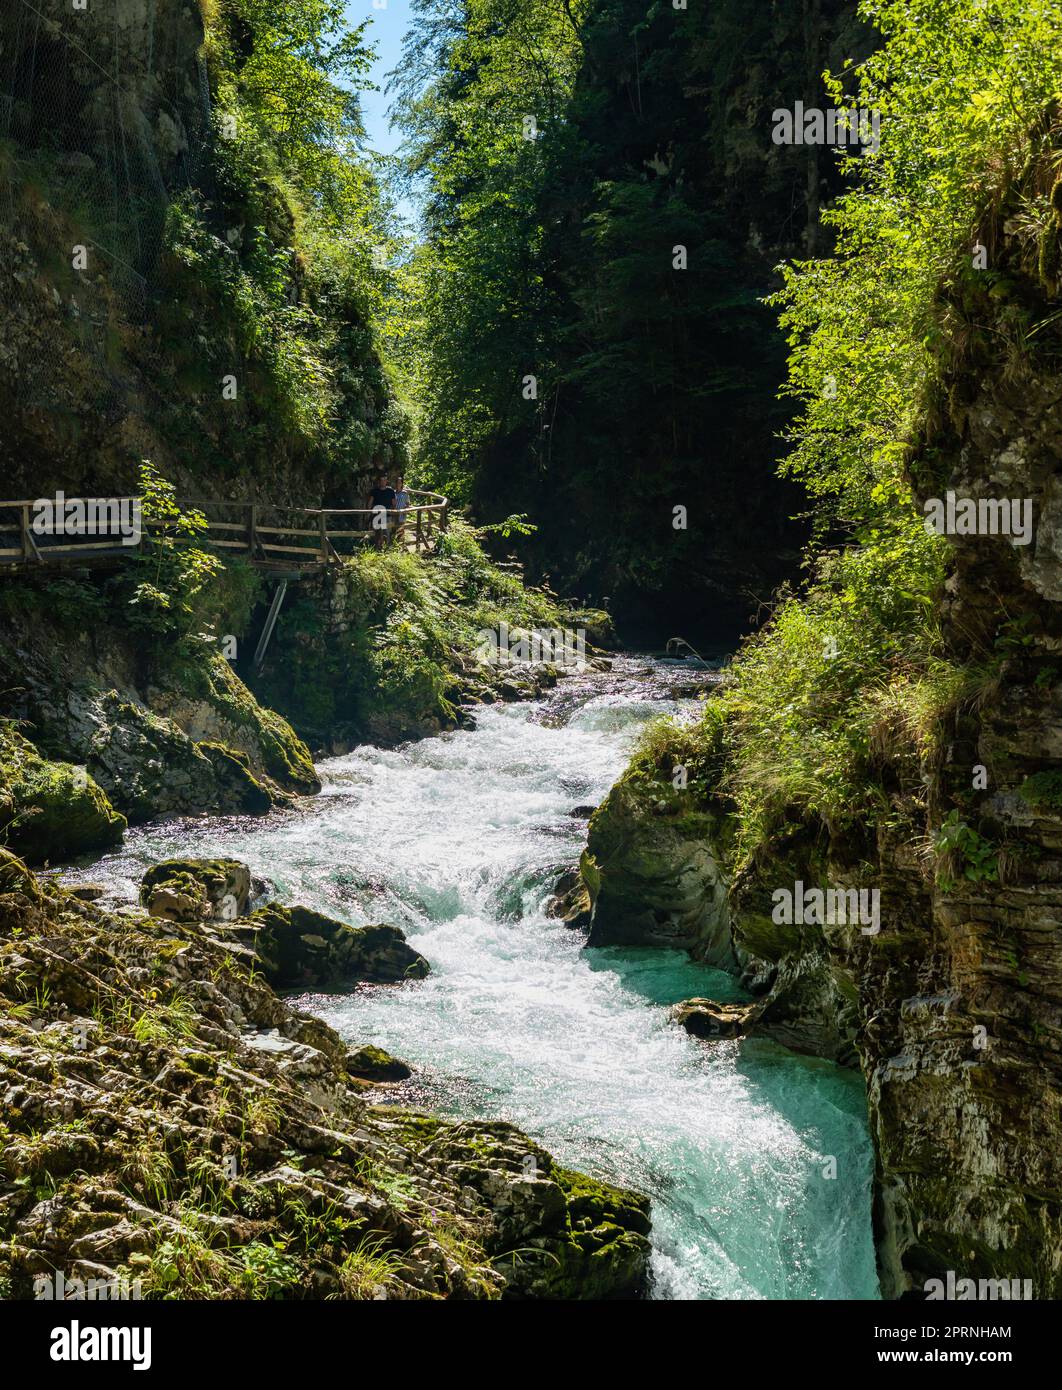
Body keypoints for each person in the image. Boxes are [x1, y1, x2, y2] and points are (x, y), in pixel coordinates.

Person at [370, 473, 396, 548]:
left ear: (386, 481)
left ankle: (387, 549)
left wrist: (393, 513)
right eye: (381, 480)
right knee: (377, 533)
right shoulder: (374, 491)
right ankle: (377, 549)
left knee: (387, 533)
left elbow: (394, 504)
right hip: (376, 516)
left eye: (384, 480)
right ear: (379, 481)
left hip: (387, 516)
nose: (383, 482)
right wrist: (369, 512)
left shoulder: (390, 491)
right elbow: (370, 503)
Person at [393, 476, 411, 547]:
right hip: (394, 514)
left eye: (400, 483)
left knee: (401, 530)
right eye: (397, 482)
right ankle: (394, 545)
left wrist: (405, 509)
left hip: (402, 514)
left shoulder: (405, 493)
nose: (398, 484)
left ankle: (402, 545)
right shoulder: (393, 492)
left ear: (402, 484)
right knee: (394, 529)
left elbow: (408, 503)